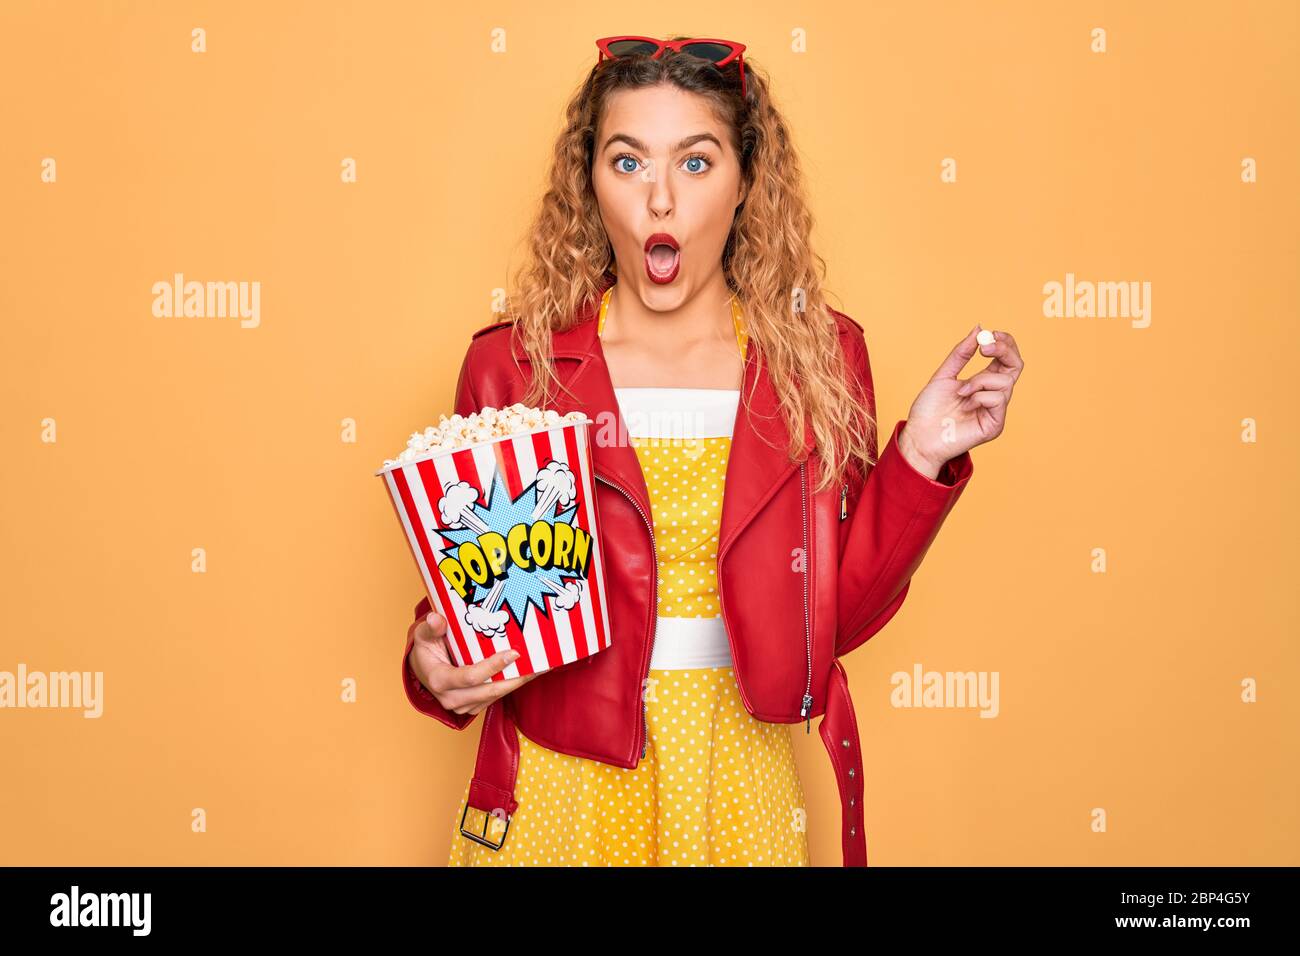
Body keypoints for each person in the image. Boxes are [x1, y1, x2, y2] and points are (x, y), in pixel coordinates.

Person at [403, 35, 1023, 866]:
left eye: (695, 164)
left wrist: (920, 458)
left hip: (740, 780)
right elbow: (476, 599)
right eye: (627, 163)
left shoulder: (818, 360)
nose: (660, 200)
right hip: (560, 787)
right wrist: (433, 664)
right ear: (590, 184)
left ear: (745, 184)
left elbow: (835, 616)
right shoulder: (515, 366)